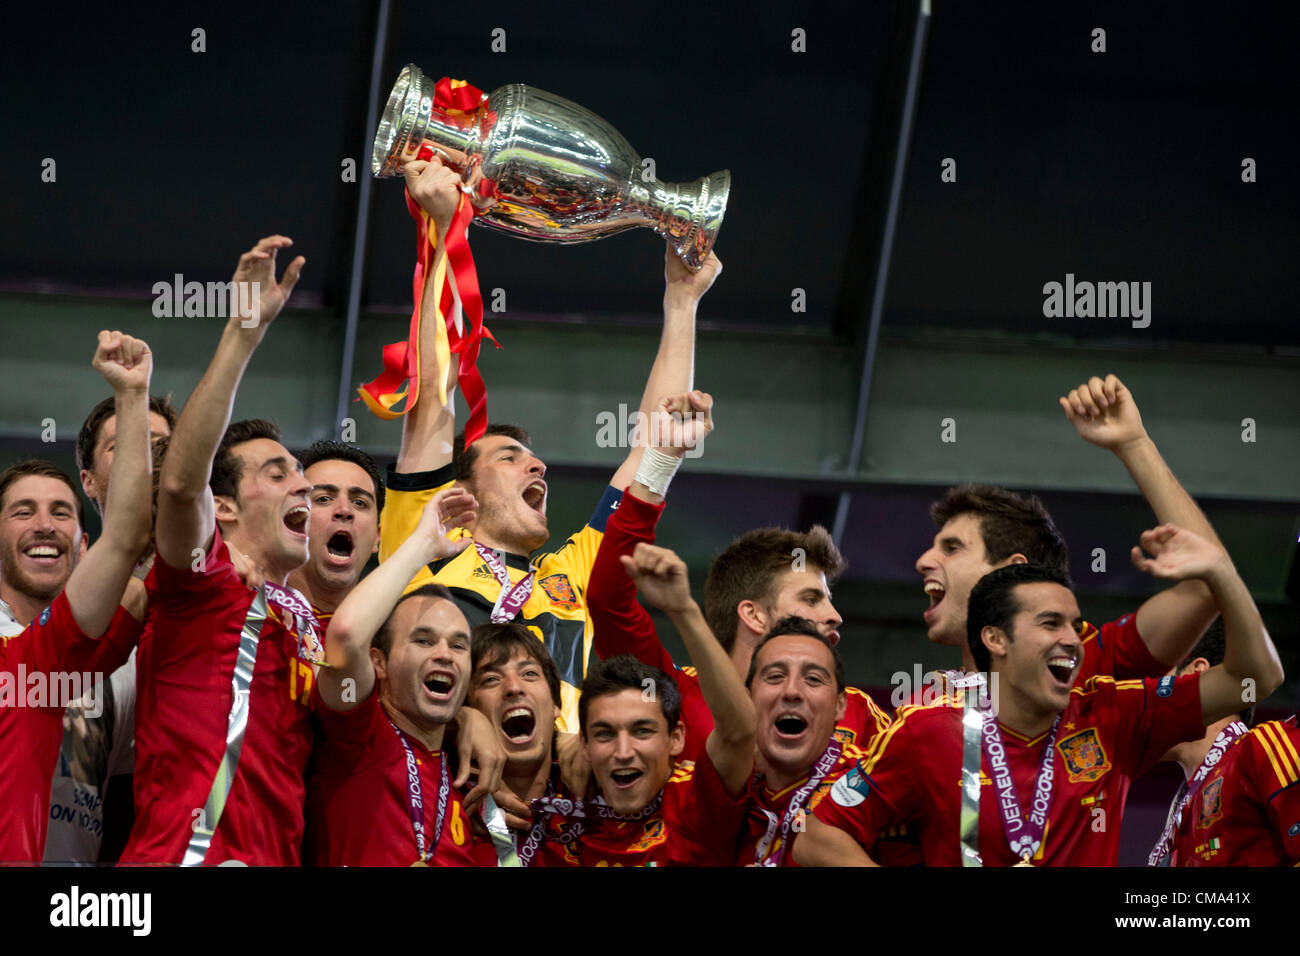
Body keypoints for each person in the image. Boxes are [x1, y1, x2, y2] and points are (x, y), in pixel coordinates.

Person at [376, 156, 721, 732]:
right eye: (508, 457)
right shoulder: (428, 541)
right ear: (459, 488)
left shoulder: (570, 572)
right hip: (449, 783)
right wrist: (440, 232)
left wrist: (682, 299)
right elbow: (433, 399)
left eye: (534, 459)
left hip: (564, 803)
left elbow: (650, 445)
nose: (536, 464)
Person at [795, 525, 1284, 867]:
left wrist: (1221, 573)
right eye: (1050, 623)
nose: (1071, 638)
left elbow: (1257, 677)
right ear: (996, 640)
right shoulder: (929, 730)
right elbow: (818, 837)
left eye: (1074, 625)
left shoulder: (1114, 715)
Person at [120, 235, 324, 865]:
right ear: (226, 508)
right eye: (277, 472)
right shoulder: (202, 582)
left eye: (300, 472)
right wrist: (242, 334)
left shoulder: (313, 630)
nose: (305, 485)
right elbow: (181, 484)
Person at [588, 390, 889, 765]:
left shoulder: (856, 712)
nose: (835, 616)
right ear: (754, 615)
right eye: (811, 599)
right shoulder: (670, 698)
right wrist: (662, 459)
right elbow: (608, 600)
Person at [913, 374, 1226, 693]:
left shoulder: (1087, 664)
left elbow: (1207, 585)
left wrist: (1134, 445)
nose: (923, 561)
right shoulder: (922, 706)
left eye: (952, 548)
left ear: (1010, 571)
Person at [0, 331, 154, 863]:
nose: (45, 527)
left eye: (62, 514)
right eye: (23, 512)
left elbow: (131, 565)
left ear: (85, 546)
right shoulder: (21, 661)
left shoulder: (41, 659)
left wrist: (133, 399)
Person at [306, 489, 509, 866]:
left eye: (459, 645)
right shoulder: (357, 734)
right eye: (423, 640)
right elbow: (347, 637)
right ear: (379, 663)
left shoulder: (467, 777)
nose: (445, 655)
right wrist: (423, 545)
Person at [537, 544, 754, 866]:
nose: (623, 751)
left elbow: (740, 732)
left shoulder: (694, 803)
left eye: (642, 731)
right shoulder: (557, 806)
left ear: (676, 738)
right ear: (583, 743)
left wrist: (684, 611)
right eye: (604, 734)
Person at [41, 395, 177, 864]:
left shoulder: (234, 592)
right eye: (126, 446)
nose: (147, 458)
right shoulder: (46, 610)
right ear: (89, 479)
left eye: (161, 445)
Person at [1152, 621, 1300, 867]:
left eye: (1145, 680)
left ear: (1195, 672)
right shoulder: (1180, 820)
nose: (1133, 699)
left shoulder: (1265, 747)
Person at [739, 616, 861, 866]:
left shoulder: (864, 787)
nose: (792, 691)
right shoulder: (732, 797)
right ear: (748, 699)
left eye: (813, 679)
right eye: (774, 677)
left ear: (840, 706)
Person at [287, 439, 384, 625]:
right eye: (323, 499)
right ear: (289, 520)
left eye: (359, 502)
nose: (345, 510)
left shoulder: (387, 639)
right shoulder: (246, 605)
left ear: (377, 537)